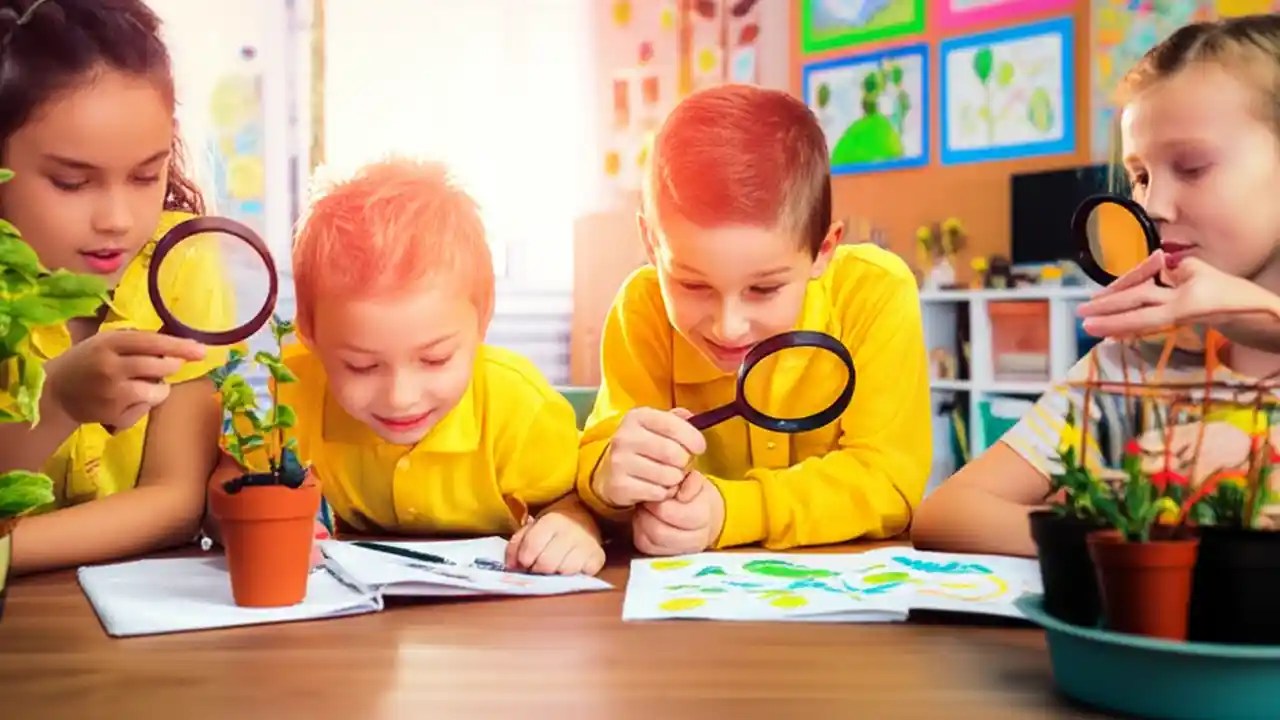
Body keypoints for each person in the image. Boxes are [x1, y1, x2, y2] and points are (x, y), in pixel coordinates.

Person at [912, 14, 1280, 556]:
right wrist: (1123, 536)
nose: (1152, 206)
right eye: (1142, 176)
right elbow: (948, 513)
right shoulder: (1124, 365)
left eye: (1193, 167)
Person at [577, 84, 932, 555]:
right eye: (693, 285)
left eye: (764, 289)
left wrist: (731, 511)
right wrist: (608, 478)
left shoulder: (874, 291)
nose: (729, 326)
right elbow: (600, 455)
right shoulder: (641, 308)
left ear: (823, 249)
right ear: (649, 242)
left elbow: (890, 483)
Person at [227, 157, 605, 576]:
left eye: (435, 359)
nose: (400, 398)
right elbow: (238, 488)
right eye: (361, 366)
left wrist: (575, 525)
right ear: (309, 335)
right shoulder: (296, 395)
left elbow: (579, 499)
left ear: (483, 317)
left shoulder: (517, 406)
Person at [0, 0, 233, 574]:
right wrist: (58, 403)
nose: (119, 219)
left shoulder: (180, 260)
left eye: (146, 175)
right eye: (72, 182)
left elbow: (176, 501)